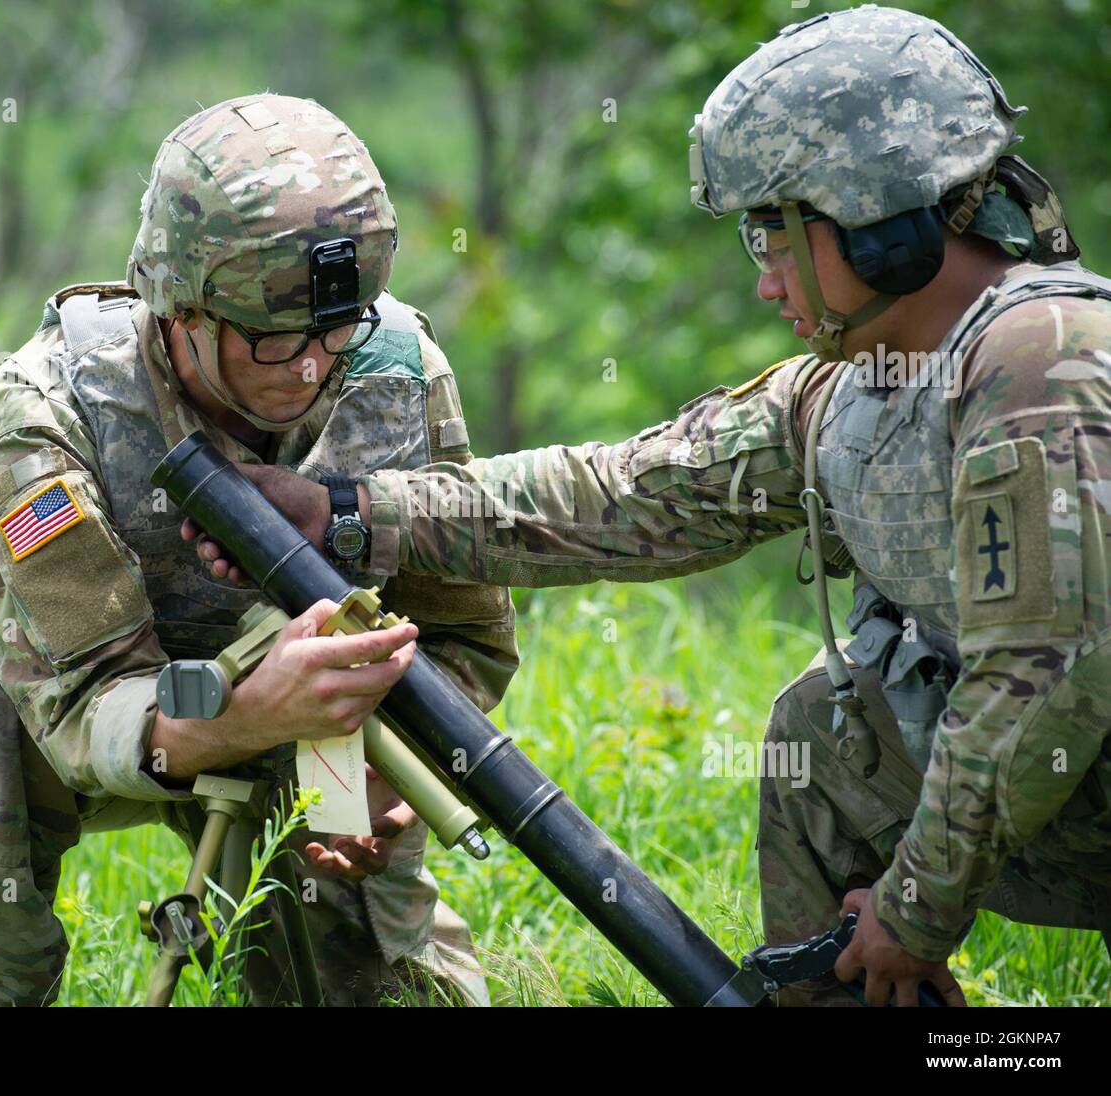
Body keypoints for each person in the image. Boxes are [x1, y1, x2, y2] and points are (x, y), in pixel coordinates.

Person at [198, 8, 1111, 1006]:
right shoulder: (852, 389)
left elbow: (1041, 674)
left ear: (870, 219)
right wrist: (342, 510)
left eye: (773, 232)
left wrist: (913, 907)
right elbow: (622, 495)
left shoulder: (1045, 362)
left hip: (1073, 761)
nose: (763, 278)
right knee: (824, 727)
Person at [0, 93, 518, 1006]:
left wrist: (389, 775)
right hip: (96, 726)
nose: (310, 367)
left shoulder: (396, 373)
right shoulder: (52, 408)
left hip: (315, 743)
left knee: (376, 995)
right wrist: (240, 719)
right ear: (176, 306)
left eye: (334, 329)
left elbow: (466, 634)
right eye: (271, 339)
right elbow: (75, 702)